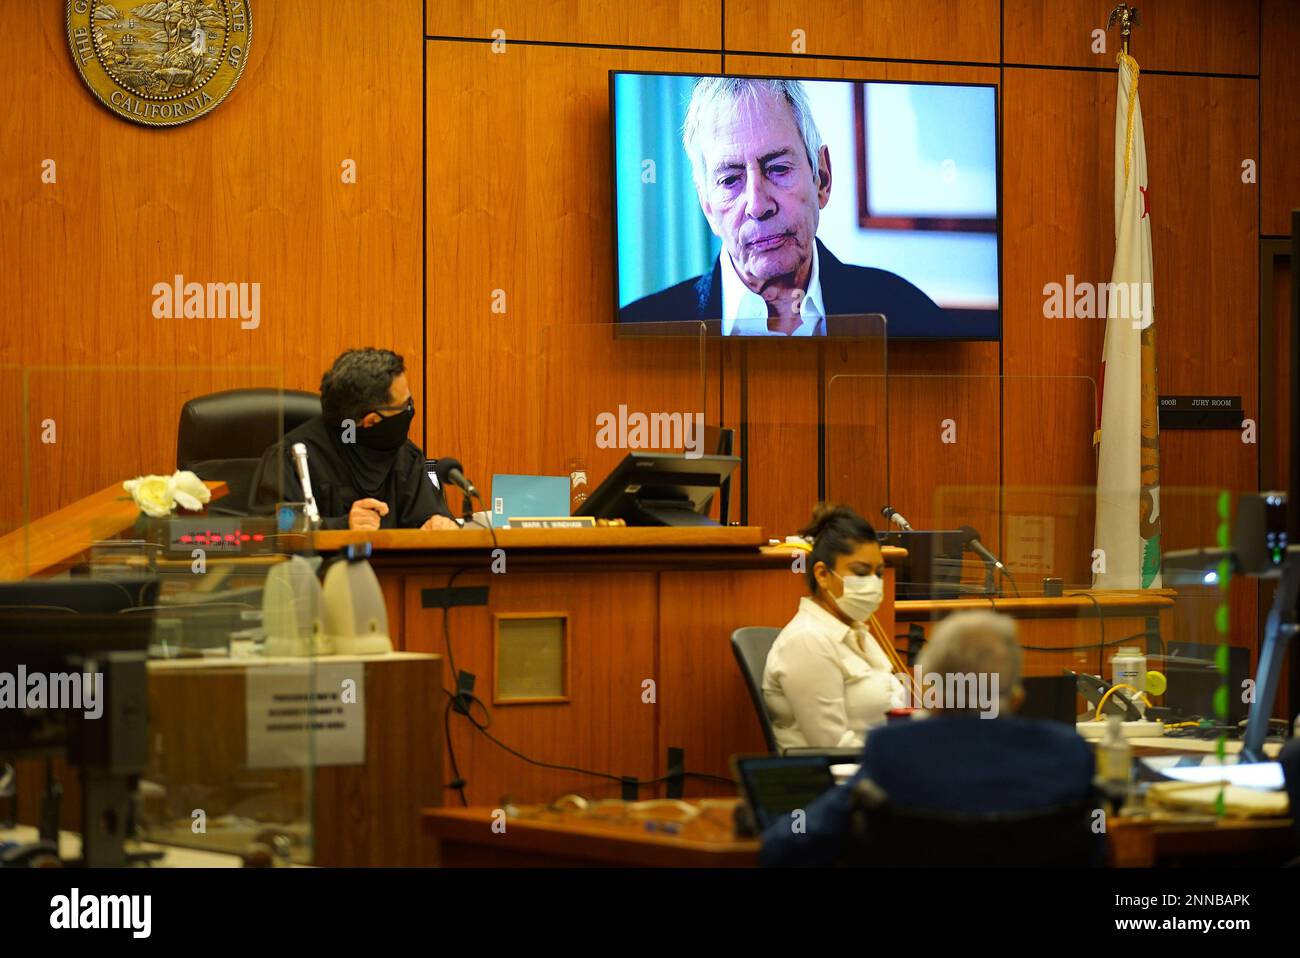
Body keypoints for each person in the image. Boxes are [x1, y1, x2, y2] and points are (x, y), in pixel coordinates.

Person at [760, 610, 1097, 867]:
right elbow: (1098, 849)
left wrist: (766, 821)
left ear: (932, 696)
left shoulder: (892, 751)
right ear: (1018, 698)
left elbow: (788, 845)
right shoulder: (1068, 753)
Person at [619, 77, 944, 336]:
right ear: (707, 205)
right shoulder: (639, 331)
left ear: (822, 178)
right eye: (730, 181)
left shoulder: (910, 315)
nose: (758, 206)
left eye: (778, 169)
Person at [249, 348, 458, 531]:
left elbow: (430, 516)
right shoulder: (291, 457)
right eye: (406, 405)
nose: (410, 410)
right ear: (371, 421)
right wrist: (340, 526)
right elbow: (270, 531)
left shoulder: (405, 455)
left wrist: (440, 522)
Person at [762, 504, 905, 750]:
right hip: (842, 778)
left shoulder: (856, 630)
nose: (873, 583)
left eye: (878, 573)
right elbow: (834, 746)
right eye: (861, 572)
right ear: (822, 574)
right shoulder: (807, 641)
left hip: (881, 768)